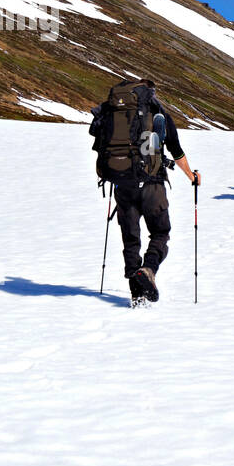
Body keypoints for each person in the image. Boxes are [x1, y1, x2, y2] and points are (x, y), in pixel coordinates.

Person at [90, 78, 200, 304]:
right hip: (152, 184)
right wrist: (191, 176)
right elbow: (176, 150)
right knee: (160, 232)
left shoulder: (111, 113)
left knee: (131, 240)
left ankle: (136, 291)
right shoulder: (158, 115)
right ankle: (148, 269)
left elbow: (99, 144)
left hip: (122, 184)